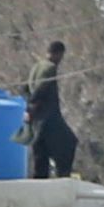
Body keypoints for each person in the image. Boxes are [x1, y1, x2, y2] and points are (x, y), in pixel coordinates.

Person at [21, 40, 77, 180]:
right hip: (49, 118)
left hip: (36, 121)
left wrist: (29, 107)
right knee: (69, 142)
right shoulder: (50, 68)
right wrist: (30, 107)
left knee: (41, 154)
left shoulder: (36, 67)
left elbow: (25, 88)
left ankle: (40, 182)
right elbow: (41, 88)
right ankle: (63, 177)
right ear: (58, 54)